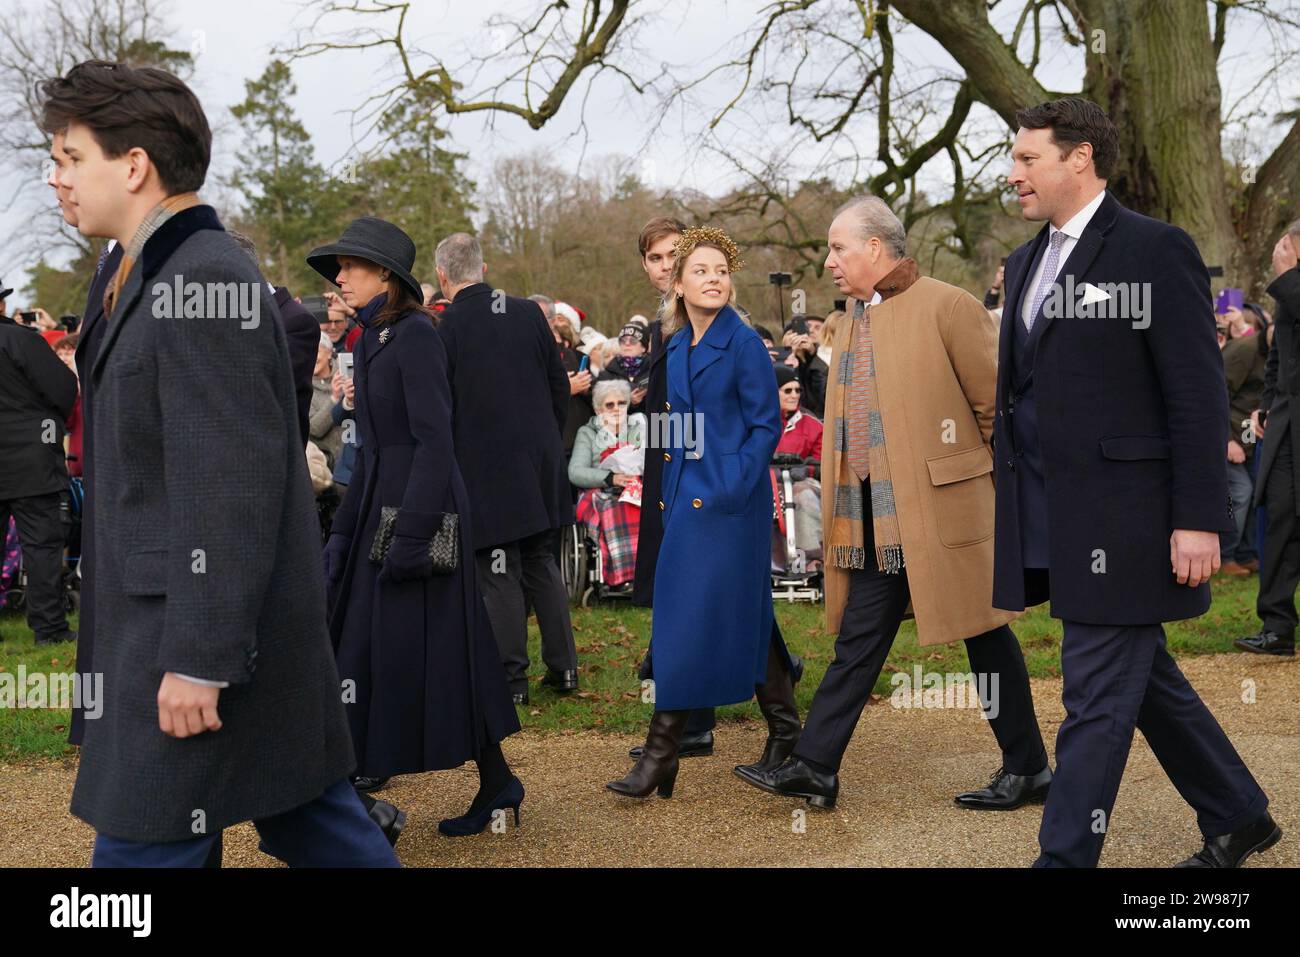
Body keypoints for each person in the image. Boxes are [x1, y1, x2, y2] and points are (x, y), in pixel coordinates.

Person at [44, 59, 397, 867]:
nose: (56, 178)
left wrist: (200, 660)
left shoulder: (203, 276)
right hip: (188, 630)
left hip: (197, 646)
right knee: (312, 820)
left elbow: (230, 481)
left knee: (141, 855)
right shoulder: (135, 269)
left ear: (132, 165)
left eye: (70, 156)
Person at [995, 96, 1278, 867]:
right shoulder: (1023, 263)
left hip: (1131, 519)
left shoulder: (1154, 249)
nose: (1012, 172)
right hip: (1056, 517)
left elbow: (1195, 392)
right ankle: (1238, 814)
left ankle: (1062, 860)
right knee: (1138, 675)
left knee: (1091, 694)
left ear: (1078, 158)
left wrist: (1200, 516)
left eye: (1027, 158)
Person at [739, 198, 1050, 812]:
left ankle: (1028, 767)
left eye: (838, 247)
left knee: (984, 635)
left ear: (876, 248)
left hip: (947, 509)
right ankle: (815, 765)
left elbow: (999, 411)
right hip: (874, 515)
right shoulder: (853, 317)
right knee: (861, 636)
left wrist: (995, 497)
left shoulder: (949, 305)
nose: (828, 261)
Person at [311, 217, 524, 836]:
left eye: (348, 266)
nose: (339, 278)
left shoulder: (415, 337)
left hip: (422, 512)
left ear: (384, 274)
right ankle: (498, 783)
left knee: (419, 647)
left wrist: (410, 535)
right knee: (383, 645)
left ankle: (348, 804)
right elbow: (371, 449)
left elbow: (435, 443)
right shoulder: (366, 340)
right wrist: (344, 535)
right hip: (378, 504)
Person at [607, 226, 799, 799]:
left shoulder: (740, 342)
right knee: (739, 611)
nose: (713, 278)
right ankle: (786, 730)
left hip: (729, 505)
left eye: (721, 270)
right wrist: (672, 482)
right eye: (701, 271)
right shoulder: (683, 342)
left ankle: (663, 751)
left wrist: (727, 486)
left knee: (687, 616)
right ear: (680, 286)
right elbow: (679, 426)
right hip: (688, 498)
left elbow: (766, 425)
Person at [434, 232, 579, 705]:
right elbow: (559, 386)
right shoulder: (526, 313)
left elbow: (444, 405)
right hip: (538, 460)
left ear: (442, 276)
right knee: (541, 562)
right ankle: (564, 670)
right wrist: (546, 442)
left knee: (497, 570)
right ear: (485, 267)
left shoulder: (445, 327)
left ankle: (511, 681)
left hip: (485, 467)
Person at [628, 216, 719, 760]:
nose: (665, 267)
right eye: (656, 258)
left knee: (697, 597)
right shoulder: (666, 324)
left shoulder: (705, 317)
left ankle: (690, 724)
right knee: (688, 597)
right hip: (666, 468)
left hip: (696, 475)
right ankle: (696, 720)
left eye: (673, 255)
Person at [0, 285, 78, 647]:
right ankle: (49, 629)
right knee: (43, 546)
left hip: (29, 455)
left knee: (42, 545)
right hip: (32, 459)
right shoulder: (20, 340)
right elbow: (62, 387)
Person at [1238, 221, 1300, 657]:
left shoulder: (1289, 287)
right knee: (1279, 518)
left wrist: (1287, 277)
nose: (1281, 254)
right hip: (1285, 426)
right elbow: (1278, 358)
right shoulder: (1287, 294)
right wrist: (1266, 404)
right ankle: (1277, 627)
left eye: (1288, 249)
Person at [570, 378, 645, 589]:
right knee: (616, 509)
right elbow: (575, 471)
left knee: (649, 507)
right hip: (599, 491)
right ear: (598, 408)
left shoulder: (639, 428)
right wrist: (610, 477)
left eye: (621, 403)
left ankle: (645, 574)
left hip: (634, 488)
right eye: (609, 404)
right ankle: (622, 577)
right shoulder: (588, 433)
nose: (616, 409)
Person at [1219, 307, 1267, 576]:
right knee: (1240, 492)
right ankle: (1225, 554)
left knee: (1255, 492)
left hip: (1250, 437)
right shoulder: (1244, 351)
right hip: (1228, 436)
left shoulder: (1280, 352)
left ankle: (1246, 553)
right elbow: (1215, 394)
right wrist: (1226, 440)